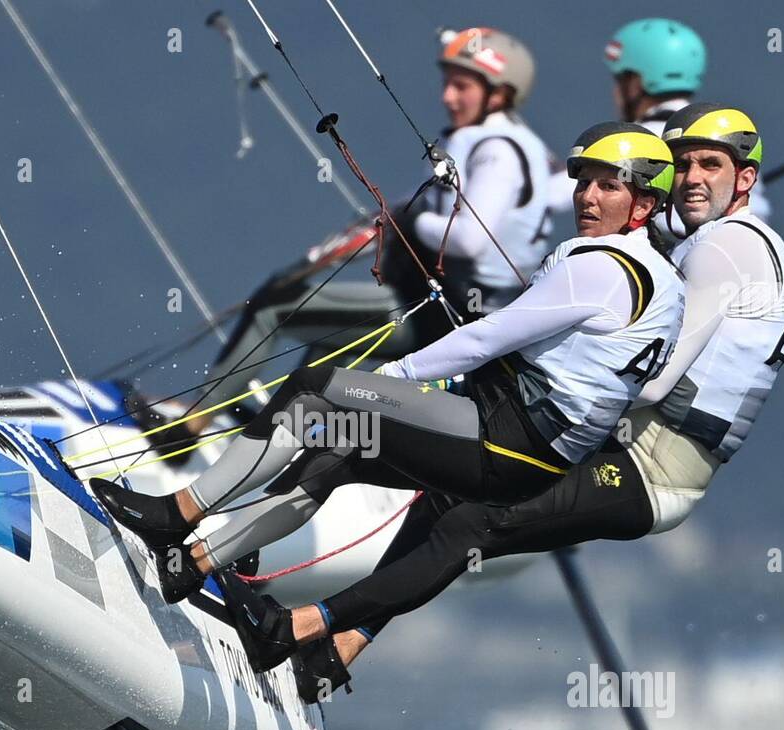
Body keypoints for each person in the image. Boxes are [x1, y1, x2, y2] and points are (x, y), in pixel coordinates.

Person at [256, 104, 784, 704]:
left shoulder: (721, 249)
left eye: (710, 165)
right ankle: (334, 653)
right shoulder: (743, 244)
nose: (692, 177)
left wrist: (531, 360)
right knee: (446, 496)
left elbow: (651, 382)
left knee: (473, 519)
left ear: (744, 177)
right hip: (633, 450)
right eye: (683, 164)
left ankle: (296, 626)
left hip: (652, 470)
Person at [92, 123, 686, 675]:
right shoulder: (666, 285)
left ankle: (179, 515)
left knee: (316, 391)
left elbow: (487, 337)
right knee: (338, 454)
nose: (589, 197)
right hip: (530, 449)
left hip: (503, 443)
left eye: (610, 186)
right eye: (584, 181)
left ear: (644, 205)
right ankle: (194, 566)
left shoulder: (601, 267)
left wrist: (398, 375)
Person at [181, 28, 556, 437]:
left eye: (461, 86)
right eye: (447, 82)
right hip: (448, 312)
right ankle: (274, 435)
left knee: (274, 302)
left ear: (499, 94)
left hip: (438, 314)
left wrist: (409, 223)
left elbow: (469, 239)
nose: (448, 96)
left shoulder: (496, 150)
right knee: (329, 350)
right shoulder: (513, 145)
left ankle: (189, 428)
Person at [548, 18, 770, 228]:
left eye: (620, 79)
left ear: (635, 83)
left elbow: (549, 197)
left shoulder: (643, 141)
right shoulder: (727, 136)